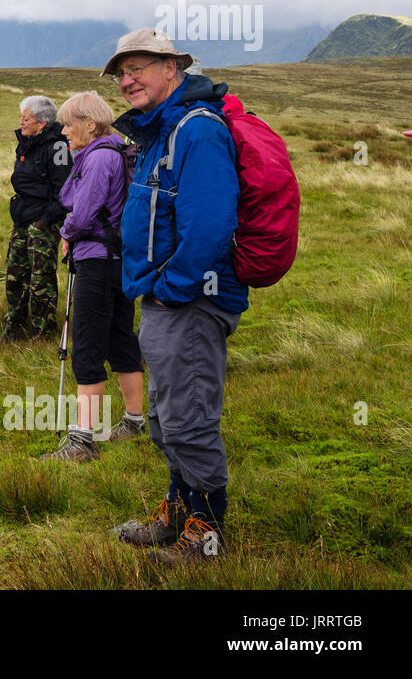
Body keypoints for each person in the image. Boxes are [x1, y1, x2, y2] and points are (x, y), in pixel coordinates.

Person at [103, 28, 247, 564]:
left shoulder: (196, 130)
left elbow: (210, 225)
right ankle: (177, 511)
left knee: (187, 420)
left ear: (172, 68)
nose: (127, 80)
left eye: (138, 67)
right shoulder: (162, 129)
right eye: (121, 72)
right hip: (165, 299)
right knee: (165, 418)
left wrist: (172, 288)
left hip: (190, 300)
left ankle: (206, 536)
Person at [39, 91, 146, 462]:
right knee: (121, 339)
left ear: (89, 124)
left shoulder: (99, 157)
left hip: (96, 262)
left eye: (69, 124)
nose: (65, 131)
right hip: (117, 260)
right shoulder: (117, 150)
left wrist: (67, 233)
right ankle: (134, 421)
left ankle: (83, 441)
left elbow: (83, 214)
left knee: (86, 346)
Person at [0, 96, 70, 339]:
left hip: (44, 223)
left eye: (26, 119)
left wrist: (45, 221)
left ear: (42, 122)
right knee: (14, 276)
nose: (21, 122)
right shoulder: (25, 144)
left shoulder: (58, 147)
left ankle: (44, 332)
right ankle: (13, 329)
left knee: (41, 280)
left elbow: (64, 191)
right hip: (22, 220)